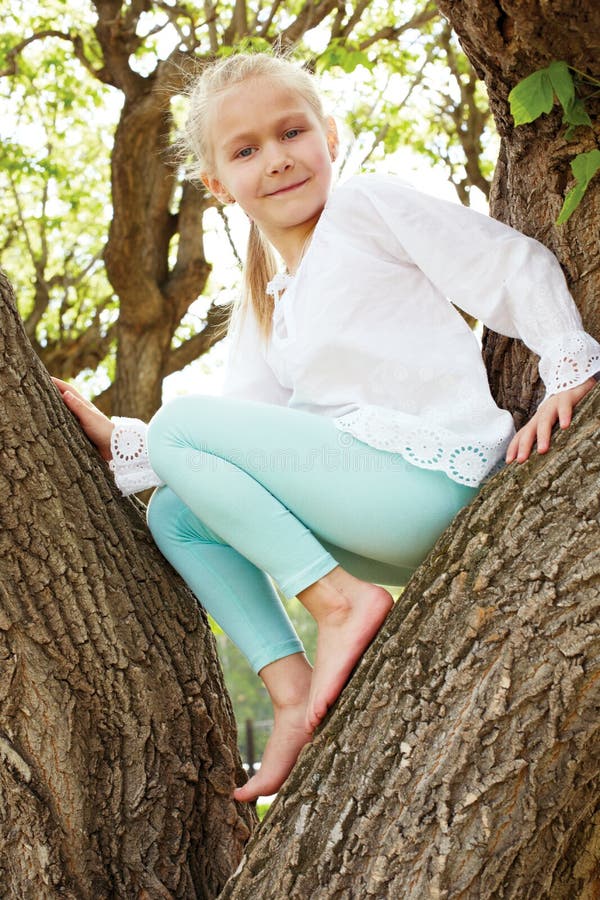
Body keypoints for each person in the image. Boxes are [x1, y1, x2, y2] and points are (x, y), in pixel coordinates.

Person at [53, 52, 600, 803]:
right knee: (178, 515)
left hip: (430, 480)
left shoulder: (366, 209)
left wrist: (569, 369)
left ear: (329, 136)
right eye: (246, 151)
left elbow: (508, 264)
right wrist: (117, 436)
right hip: (366, 513)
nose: (276, 160)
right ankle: (289, 691)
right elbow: (226, 444)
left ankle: (338, 605)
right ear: (218, 184)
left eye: (291, 132)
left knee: (181, 432)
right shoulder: (266, 297)